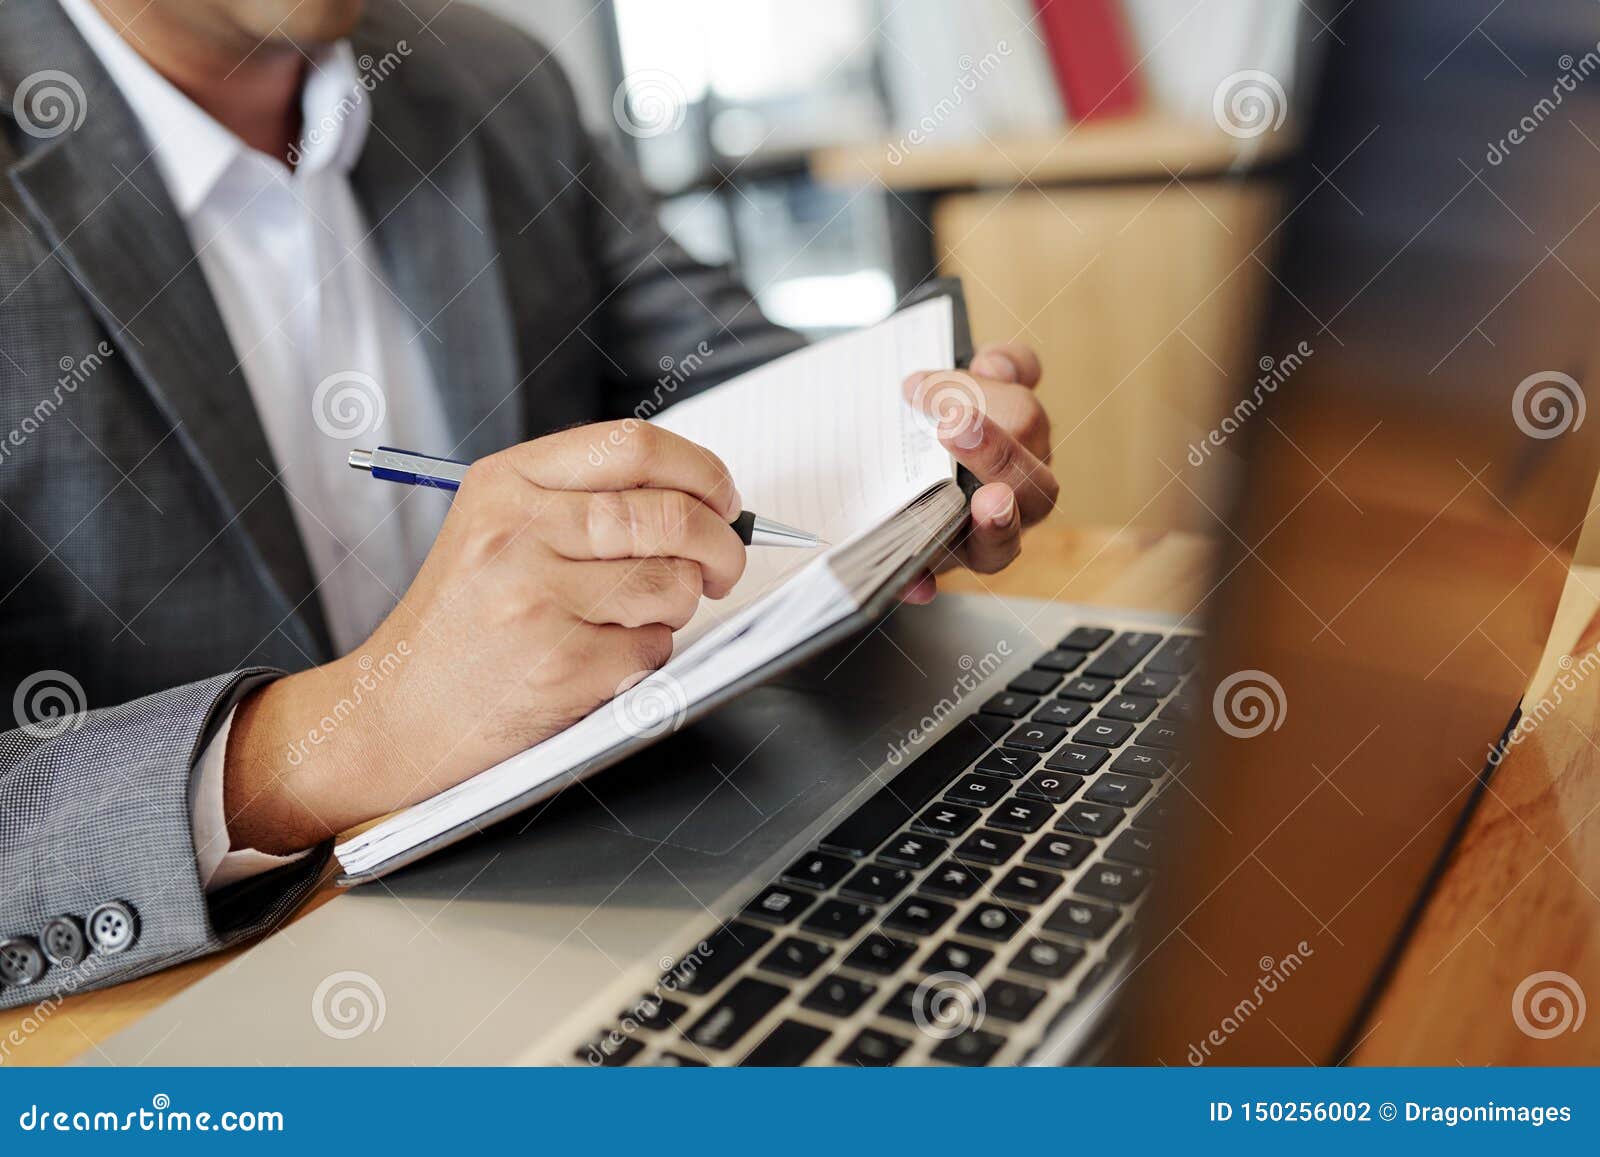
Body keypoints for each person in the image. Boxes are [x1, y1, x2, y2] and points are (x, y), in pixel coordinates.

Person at [0, 0, 1058, 1007]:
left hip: (612, 868)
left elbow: (715, 373)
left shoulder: (490, 79)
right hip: (195, 997)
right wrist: (343, 733)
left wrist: (922, 444)